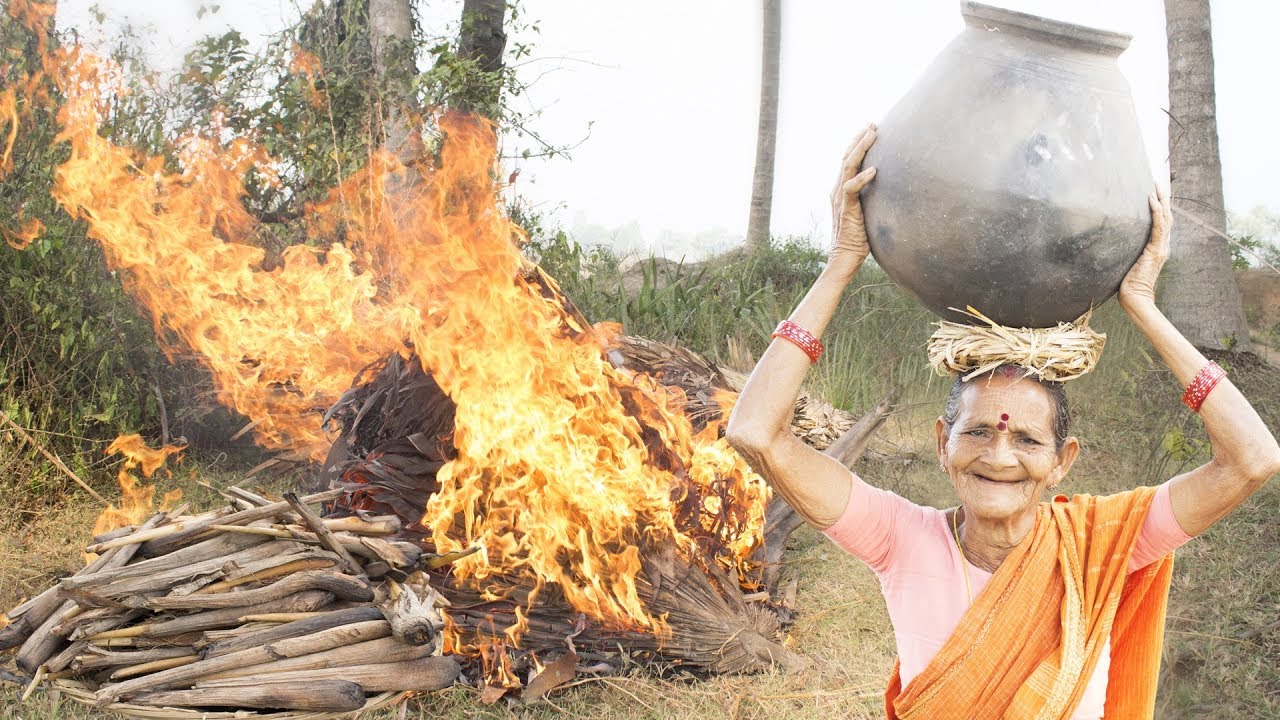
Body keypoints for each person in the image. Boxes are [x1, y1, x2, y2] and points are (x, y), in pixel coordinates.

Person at [725, 124, 1280, 719]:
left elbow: (1253, 459)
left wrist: (1143, 306)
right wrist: (841, 262)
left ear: (1062, 461)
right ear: (943, 444)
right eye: (978, 431)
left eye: (1026, 438)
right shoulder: (899, 538)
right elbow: (755, 431)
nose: (999, 456)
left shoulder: (1099, 545)